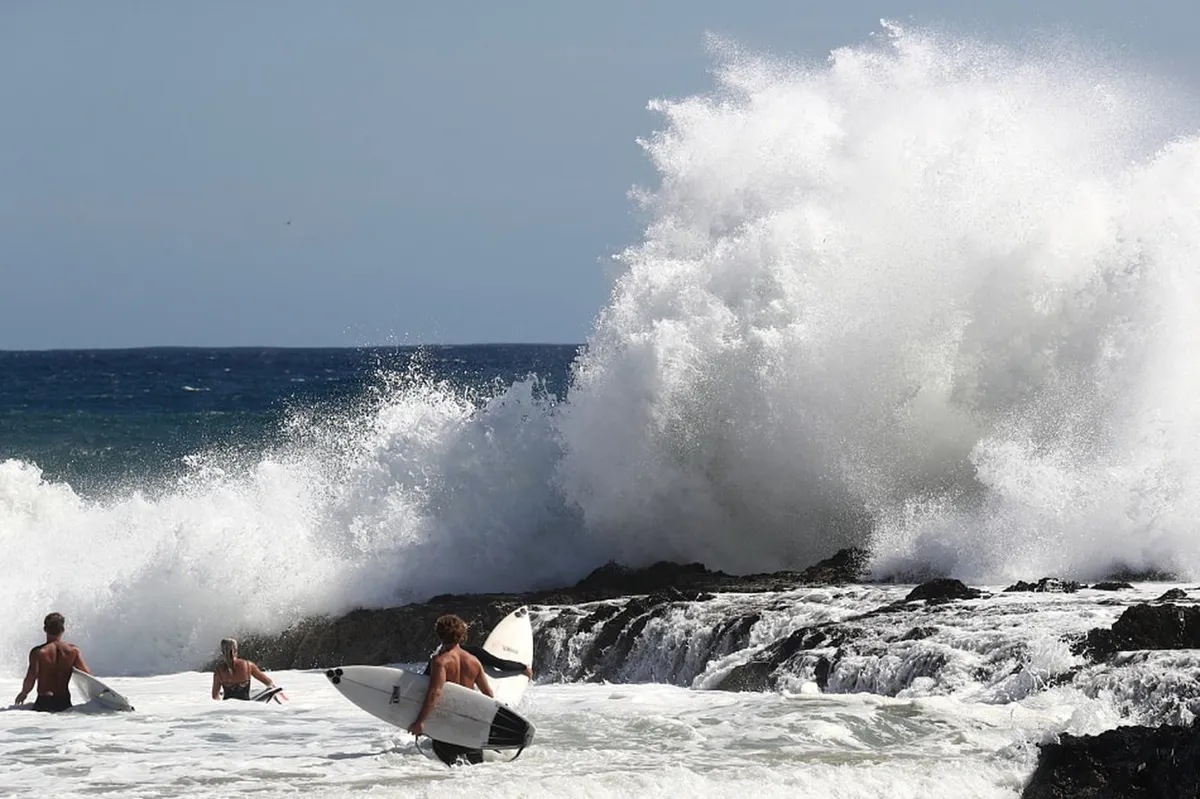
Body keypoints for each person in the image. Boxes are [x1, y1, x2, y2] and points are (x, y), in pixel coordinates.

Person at [408, 614, 494, 766]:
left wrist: (420, 721)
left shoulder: (440, 661)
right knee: (476, 772)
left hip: (448, 726)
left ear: (439, 634)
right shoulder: (474, 661)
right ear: (462, 635)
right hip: (471, 728)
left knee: (450, 773)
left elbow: (435, 692)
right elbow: (488, 695)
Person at [15, 612, 92, 712]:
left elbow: (31, 677)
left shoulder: (39, 652)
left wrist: (23, 693)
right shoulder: (73, 651)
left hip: (44, 701)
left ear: (45, 629)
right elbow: (87, 675)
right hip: (64, 702)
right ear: (63, 630)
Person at [211, 638, 275, 700]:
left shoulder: (218, 671)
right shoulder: (248, 665)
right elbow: (268, 682)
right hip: (245, 704)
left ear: (222, 652)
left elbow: (215, 696)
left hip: (228, 705)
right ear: (236, 650)